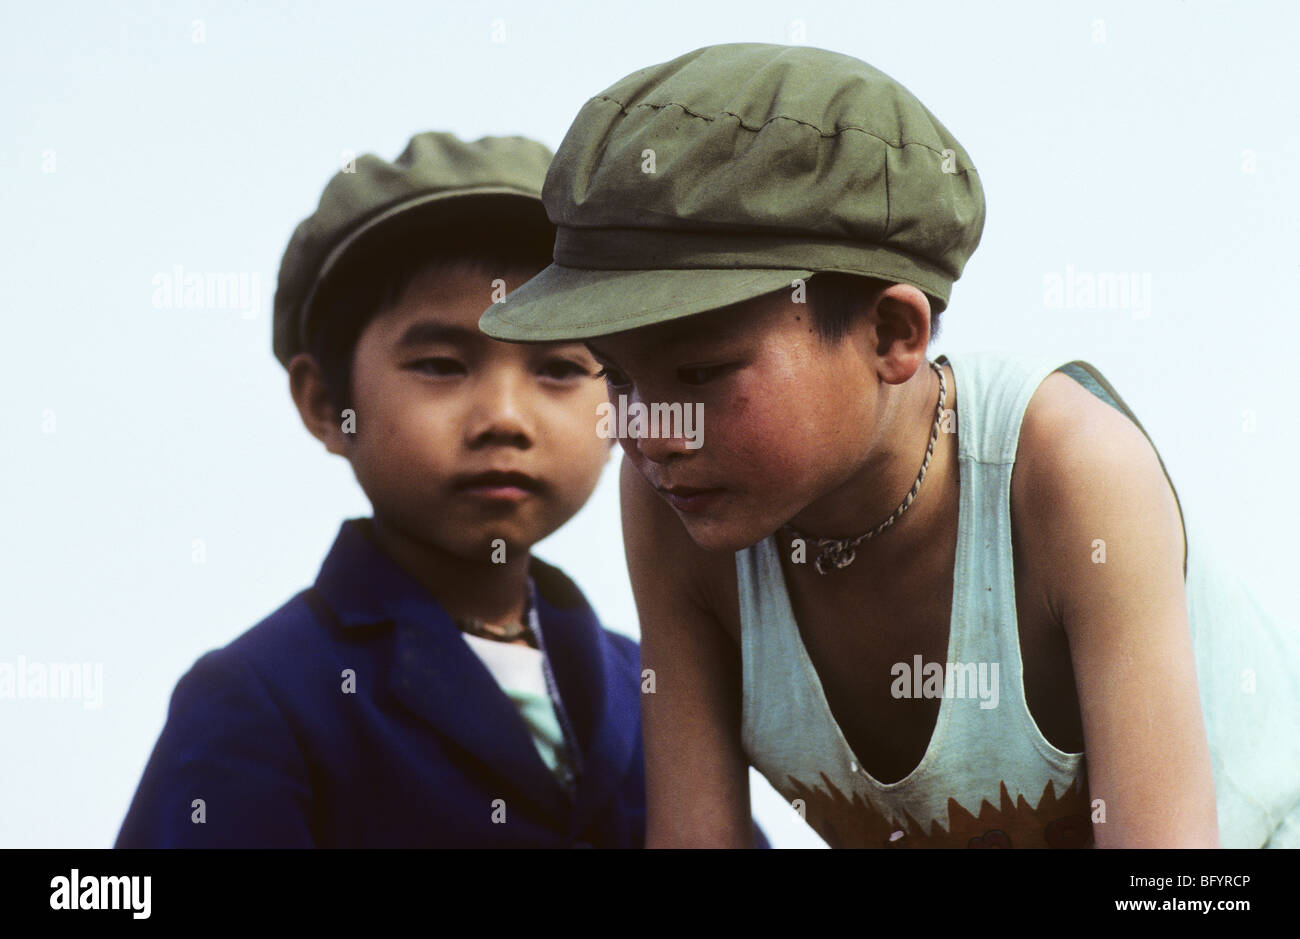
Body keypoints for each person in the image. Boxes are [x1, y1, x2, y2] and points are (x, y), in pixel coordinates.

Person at [479, 43, 1300, 848]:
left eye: (700, 371)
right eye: (617, 378)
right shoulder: (679, 504)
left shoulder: (1071, 473)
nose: (652, 432)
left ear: (892, 332)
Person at [115, 131, 739, 847]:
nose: (504, 417)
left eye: (563, 368)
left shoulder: (650, 683)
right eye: (442, 364)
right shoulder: (261, 698)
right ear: (325, 402)